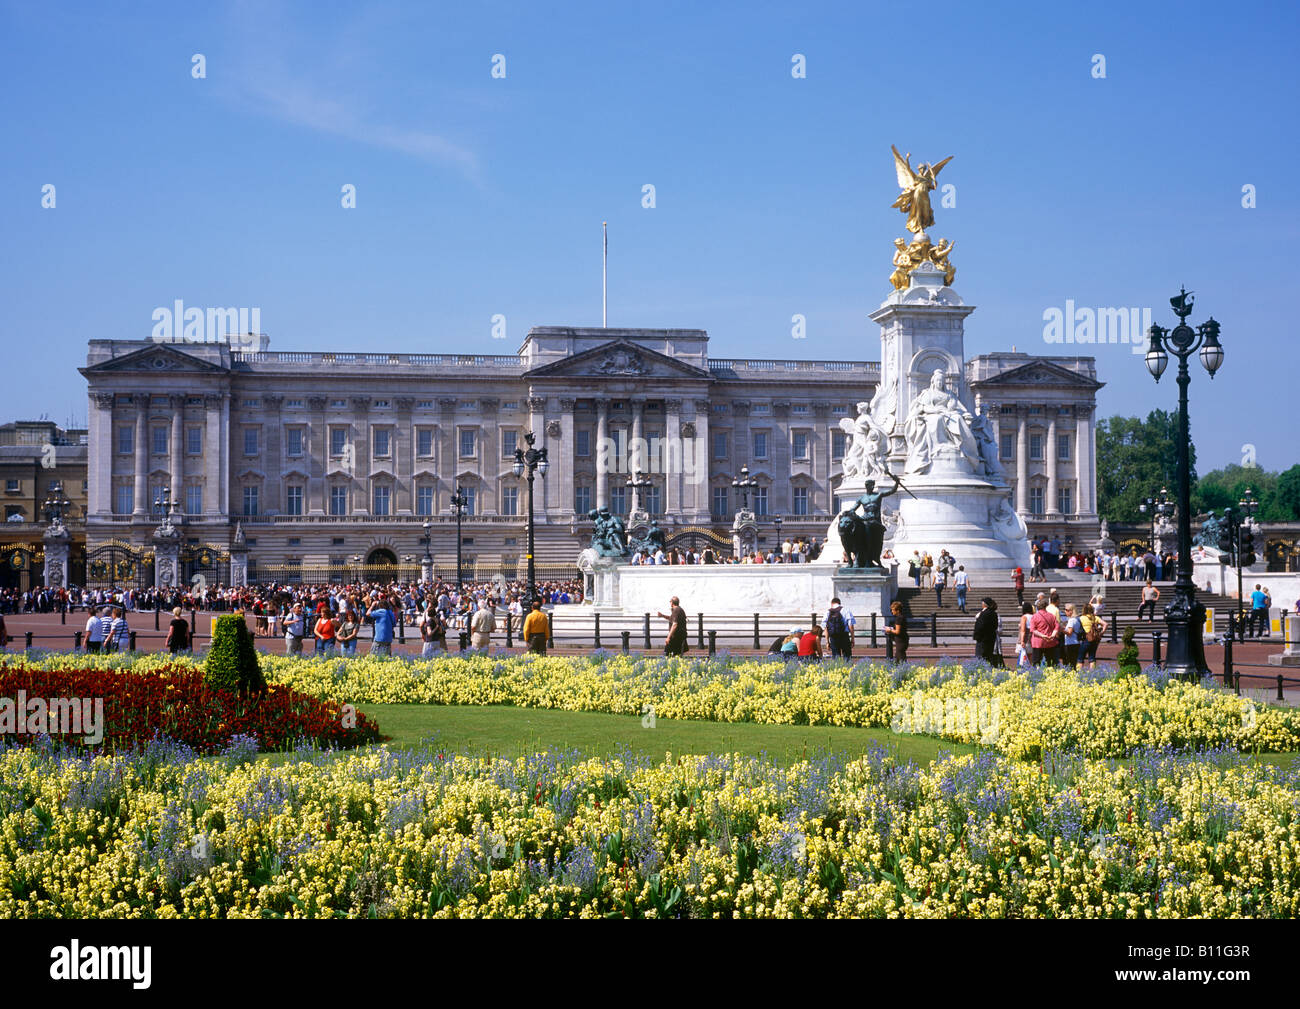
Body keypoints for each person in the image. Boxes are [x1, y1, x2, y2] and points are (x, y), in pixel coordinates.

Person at [1028, 599, 1060, 666]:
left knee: (1036, 662)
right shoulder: (1051, 616)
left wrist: (1042, 635)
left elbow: (1033, 630)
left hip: (1038, 642)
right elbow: (1057, 627)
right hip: (1050, 641)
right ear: (1046, 606)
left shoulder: (1035, 616)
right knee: (1050, 662)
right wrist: (1052, 635)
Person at [972, 597, 1000, 665]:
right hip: (991, 638)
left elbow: (980, 626)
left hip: (982, 638)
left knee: (980, 656)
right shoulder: (994, 613)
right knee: (988, 656)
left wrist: (976, 636)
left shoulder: (983, 613)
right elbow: (995, 626)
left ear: (984, 604)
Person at [1080, 602, 1105, 669]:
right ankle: (1092, 673)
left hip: (1086, 638)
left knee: (1080, 658)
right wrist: (1102, 633)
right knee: (1092, 658)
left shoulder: (1082, 618)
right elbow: (1105, 624)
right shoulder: (1095, 617)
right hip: (1094, 639)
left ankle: (1079, 674)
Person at [1061, 603, 1082, 669]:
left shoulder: (1071, 620)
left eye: (1066, 610)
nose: (1065, 611)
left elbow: (1069, 633)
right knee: (1073, 662)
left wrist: (1061, 630)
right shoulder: (1077, 619)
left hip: (1070, 643)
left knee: (1070, 662)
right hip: (1076, 642)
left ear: (1071, 611)